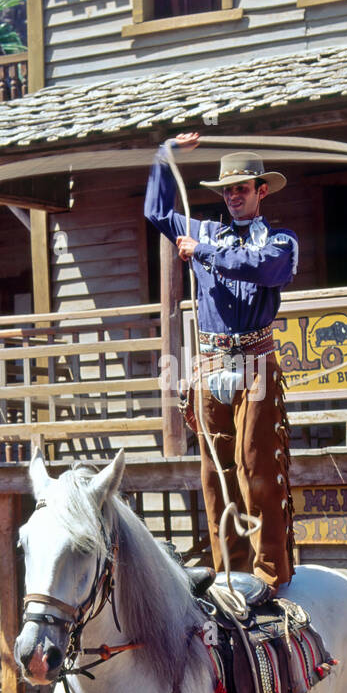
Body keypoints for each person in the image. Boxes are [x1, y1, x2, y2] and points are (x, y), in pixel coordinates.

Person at [144, 131, 298, 598]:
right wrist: (164, 156)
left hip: (256, 360)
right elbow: (155, 212)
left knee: (257, 467)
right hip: (210, 363)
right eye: (227, 190)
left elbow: (260, 268)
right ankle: (228, 572)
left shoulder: (280, 240)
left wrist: (202, 251)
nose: (233, 196)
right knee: (215, 473)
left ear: (261, 191)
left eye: (242, 189)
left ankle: (269, 574)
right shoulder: (204, 230)